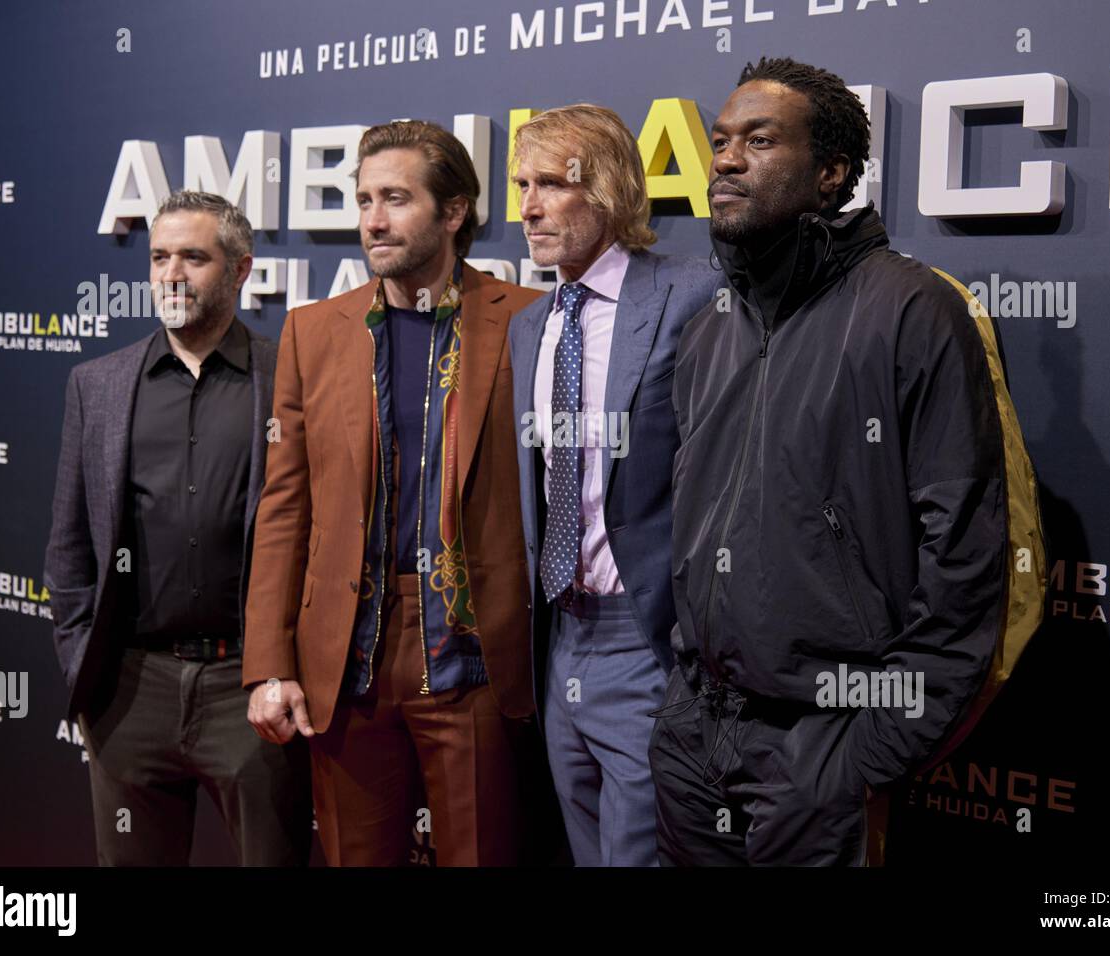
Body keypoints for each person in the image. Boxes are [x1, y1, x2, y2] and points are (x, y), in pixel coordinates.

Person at [653, 57, 1010, 865]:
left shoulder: (914, 309)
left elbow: (965, 559)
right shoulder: (710, 324)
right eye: (720, 140)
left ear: (832, 173)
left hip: (824, 746)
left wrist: (865, 756)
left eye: (760, 140)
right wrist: (680, 706)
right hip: (692, 734)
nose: (728, 159)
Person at [243, 120, 543, 866]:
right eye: (364, 198)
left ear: (453, 212)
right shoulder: (313, 332)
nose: (373, 219)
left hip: (473, 654)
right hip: (347, 655)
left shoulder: (527, 320)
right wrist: (270, 664)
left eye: (397, 199)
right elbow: (285, 509)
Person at [45, 190, 312, 865]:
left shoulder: (289, 379)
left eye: (194, 257)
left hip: (251, 690)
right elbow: (70, 544)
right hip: (132, 692)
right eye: (160, 256)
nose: (171, 273)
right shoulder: (98, 385)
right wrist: (83, 664)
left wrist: (281, 669)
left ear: (241, 269)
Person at [509, 104, 721, 865]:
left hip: (649, 637)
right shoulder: (530, 326)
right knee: (585, 846)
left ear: (607, 190)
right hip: (562, 636)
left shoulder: (692, 294)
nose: (527, 208)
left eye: (550, 185)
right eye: (520, 185)